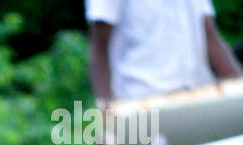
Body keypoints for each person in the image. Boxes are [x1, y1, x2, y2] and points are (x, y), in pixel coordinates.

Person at [87, 0, 241, 105]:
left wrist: (239, 87)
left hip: (199, 98)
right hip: (142, 104)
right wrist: (105, 116)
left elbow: (210, 38)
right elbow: (99, 49)